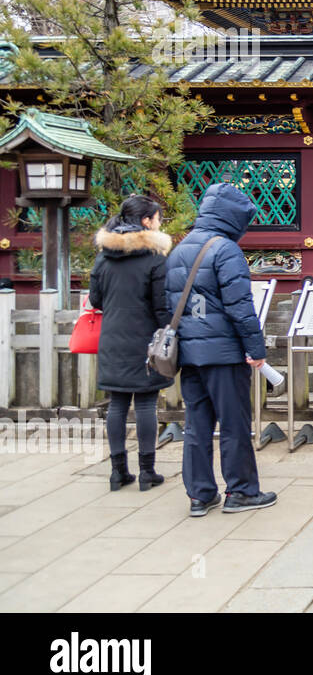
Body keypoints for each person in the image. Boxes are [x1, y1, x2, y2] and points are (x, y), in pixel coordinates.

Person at [166, 182, 277, 517]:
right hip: (224, 354)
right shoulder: (225, 250)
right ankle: (241, 490)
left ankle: (200, 495)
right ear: (233, 219)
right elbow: (240, 307)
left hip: (189, 354)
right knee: (233, 424)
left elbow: (168, 305)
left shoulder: (180, 249)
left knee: (197, 425)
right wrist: (255, 349)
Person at [88, 195, 172, 492]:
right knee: (147, 402)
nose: (159, 223)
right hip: (144, 340)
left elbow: (95, 300)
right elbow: (162, 307)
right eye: (158, 218)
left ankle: (117, 472)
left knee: (117, 404)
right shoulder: (154, 258)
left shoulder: (103, 255)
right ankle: (147, 472)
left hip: (112, 338)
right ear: (147, 221)